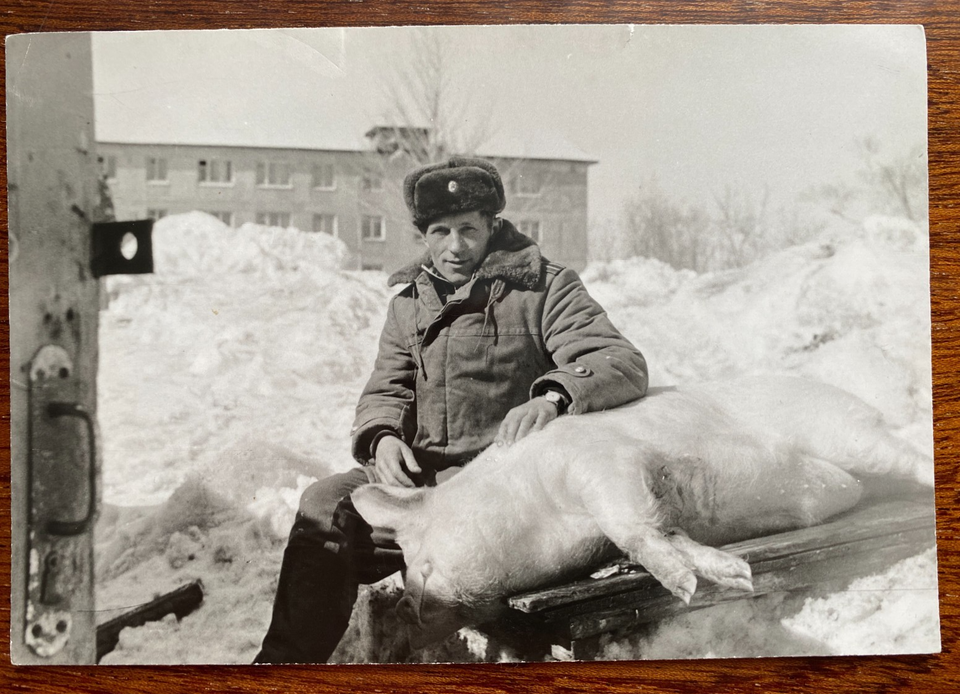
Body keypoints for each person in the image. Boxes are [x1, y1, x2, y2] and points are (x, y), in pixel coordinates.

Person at [255, 157, 648, 663]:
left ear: (492, 226)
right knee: (325, 506)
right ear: (424, 235)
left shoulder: (543, 287)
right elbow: (386, 388)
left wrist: (553, 398)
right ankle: (283, 667)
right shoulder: (409, 302)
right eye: (441, 231)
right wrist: (382, 437)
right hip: (424, 484)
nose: (455, 246)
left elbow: (618, 361)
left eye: (468, 229)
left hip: (504, 485)